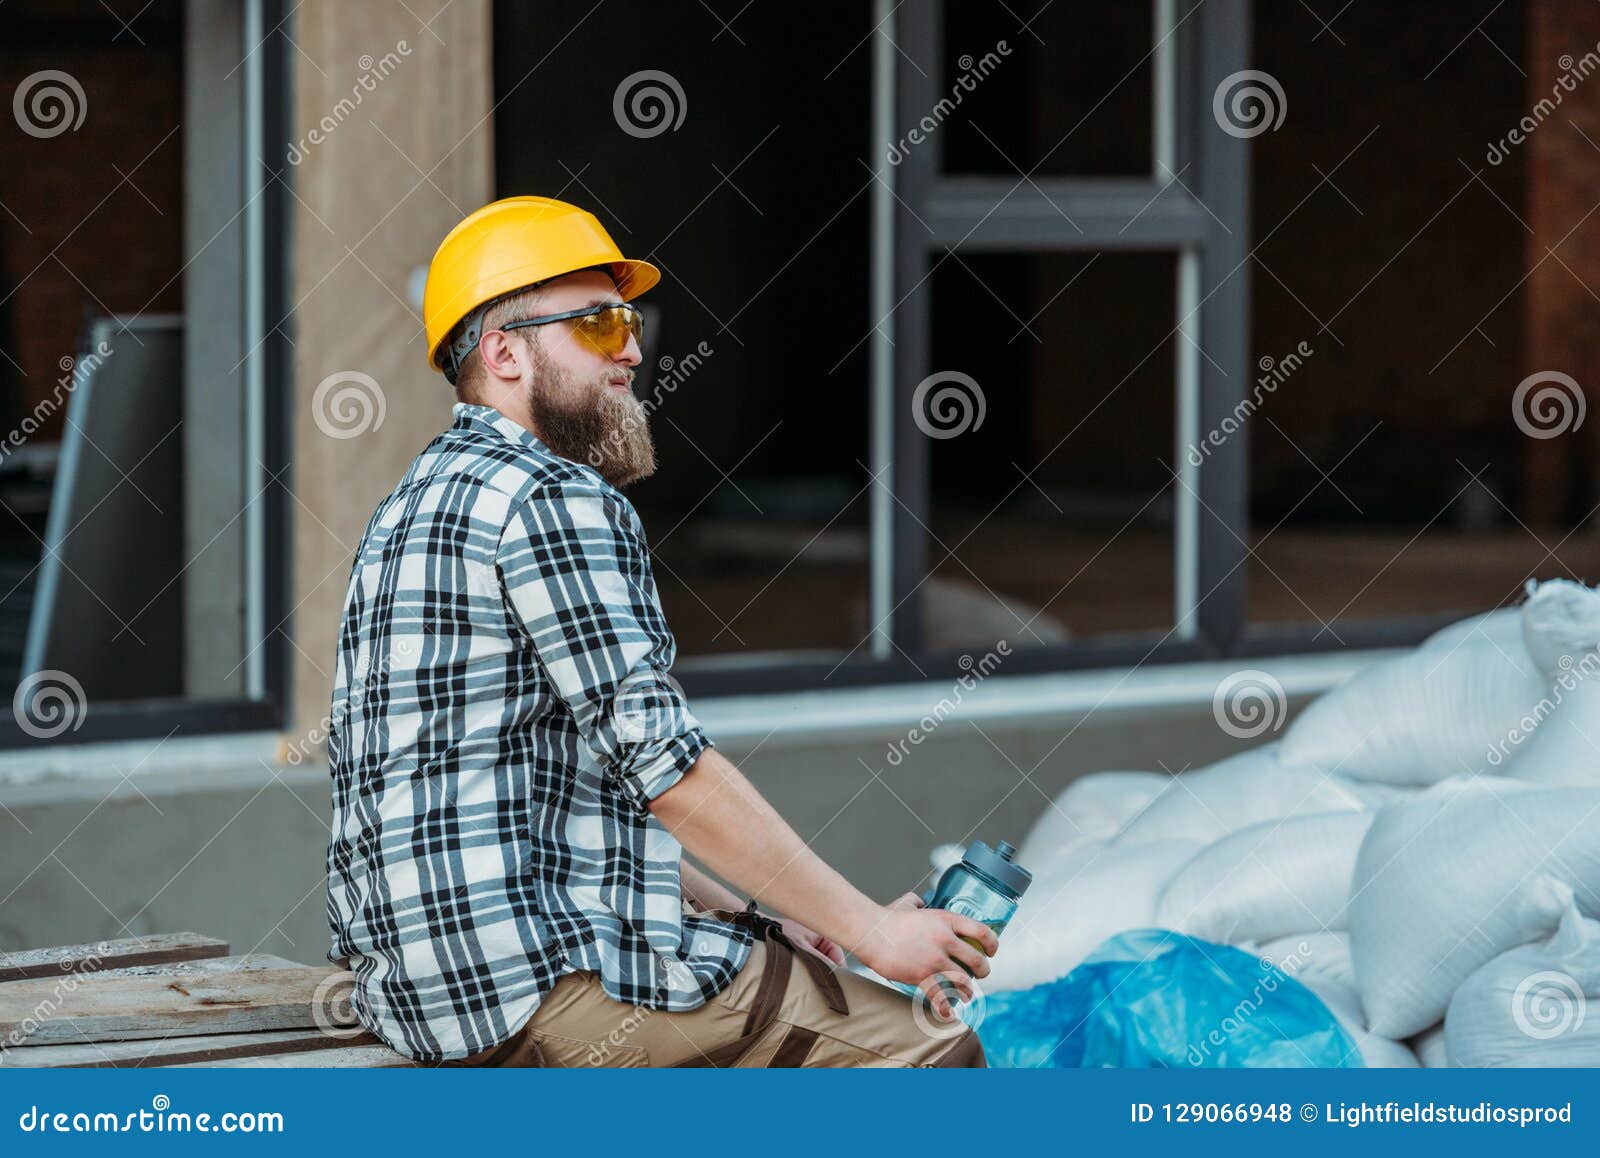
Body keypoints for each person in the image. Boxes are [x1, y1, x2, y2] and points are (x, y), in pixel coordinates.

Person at [325, 197, 994, 1068]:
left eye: (632, 321)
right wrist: (870, 931)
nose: (634, 350)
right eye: (600, 325)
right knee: (933, 1050)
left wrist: (765, 918)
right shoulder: (552, 498)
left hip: (425, 993)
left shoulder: (412, 502)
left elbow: (570, 803)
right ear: (503, 353)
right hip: (535, 989)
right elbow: (667, 771)